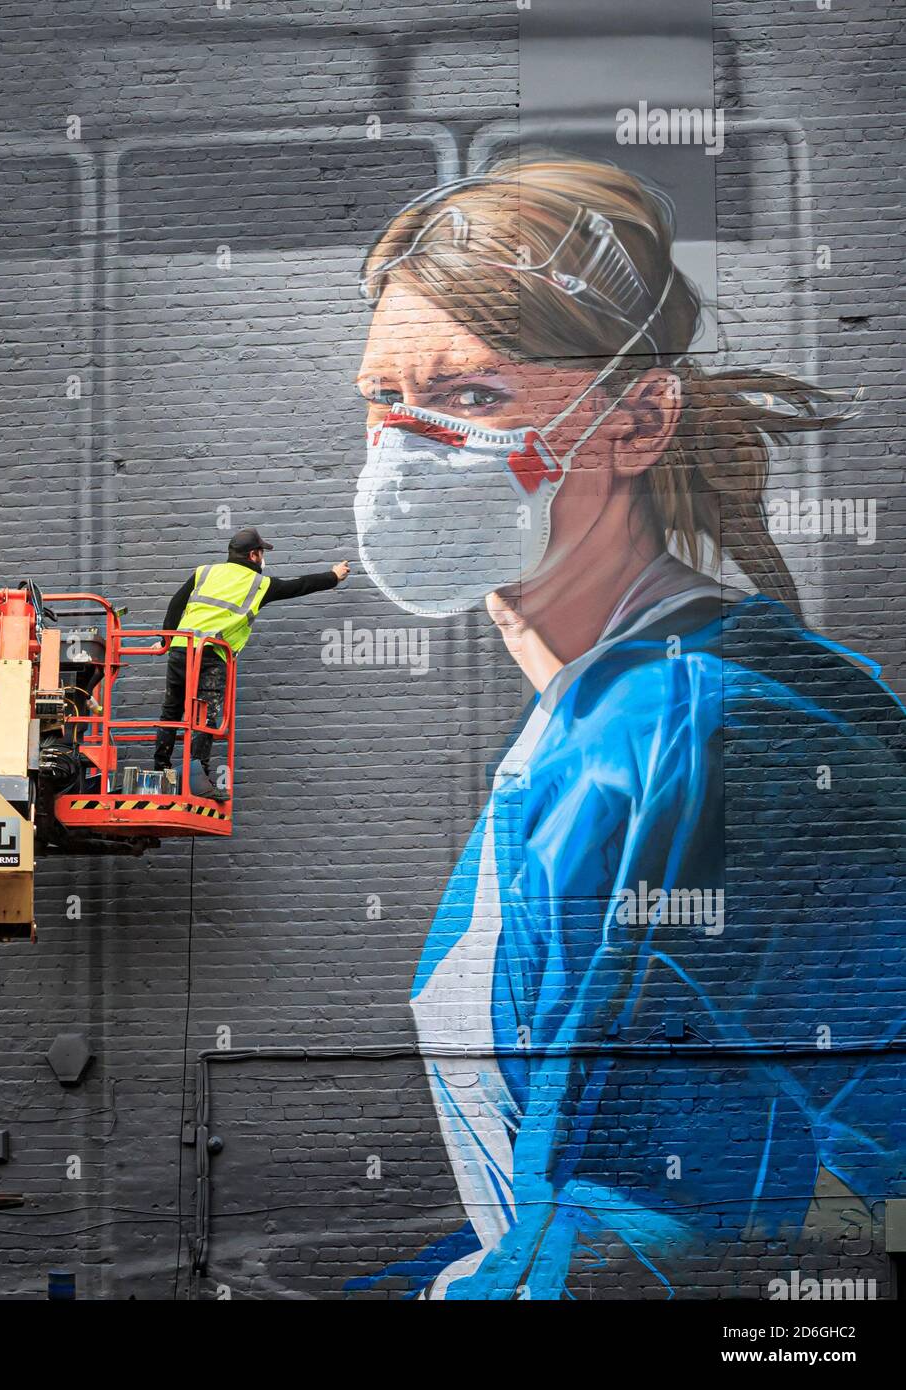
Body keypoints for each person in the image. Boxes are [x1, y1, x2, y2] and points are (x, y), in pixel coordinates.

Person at [347, 156, 906, 1299]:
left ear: (638, 417)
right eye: (381, 401)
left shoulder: (681, 738)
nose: (406, 453)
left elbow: (631, 1234)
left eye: (470, 396)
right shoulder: (629, 706)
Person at [153, 526, 349, 796]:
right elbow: (299, 585)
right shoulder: (259, 584)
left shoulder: (205, 572)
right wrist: (333, 576)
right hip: (210, 654)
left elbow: (175, 605)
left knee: (172, 711)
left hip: (180, 648)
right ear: (254, 555)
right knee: (205, 717)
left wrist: (165, 641)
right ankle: (196, 781)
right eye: (262, 553)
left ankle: (160, 771)